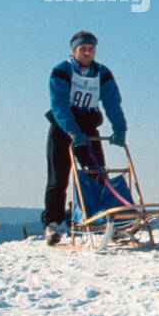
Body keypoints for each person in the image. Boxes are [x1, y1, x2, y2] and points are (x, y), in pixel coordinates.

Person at [41, 31, 128, 245]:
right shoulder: (62, 70)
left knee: (97, 174)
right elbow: (59, 104)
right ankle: (53, 224)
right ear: (74, 51)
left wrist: (119, 129)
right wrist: (72, 130)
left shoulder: (102, 73)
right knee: (58, 178)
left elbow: (112, 102)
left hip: (88, 128)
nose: (87, 52)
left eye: (90, 49)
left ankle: (105, 221)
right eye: (83, 48)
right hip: (63, 129)